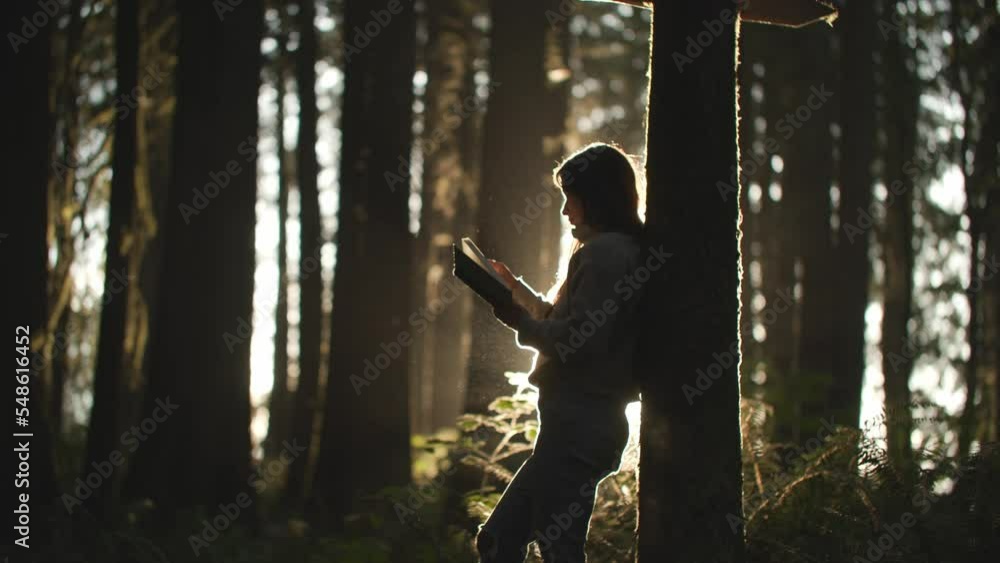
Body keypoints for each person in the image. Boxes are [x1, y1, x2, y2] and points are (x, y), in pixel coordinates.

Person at [476, 142, 645, 563]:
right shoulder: (608, 251)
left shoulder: (606, 255)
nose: (566, 211)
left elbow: (578, 340)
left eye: (572, 198)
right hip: (573, 429)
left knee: (557, 550)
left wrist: (517, 320)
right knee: (498, 541)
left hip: (579, 428)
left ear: (596, 198)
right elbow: (570, 320)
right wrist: (515, 291)